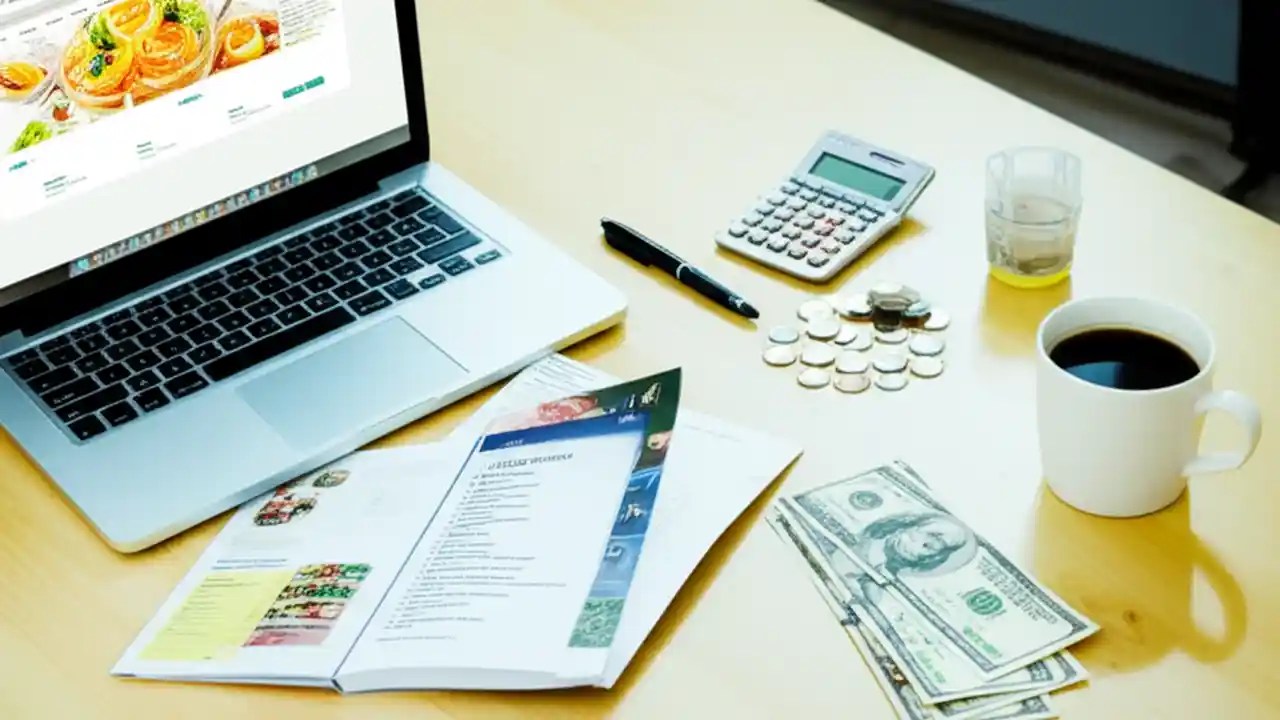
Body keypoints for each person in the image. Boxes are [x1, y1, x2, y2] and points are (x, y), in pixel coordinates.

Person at [858, 513, 969, 577]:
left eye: (942, 546)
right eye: (933, 535)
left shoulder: (887, 576)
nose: (928, 545)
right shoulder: (862, 539)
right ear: (910, 525)